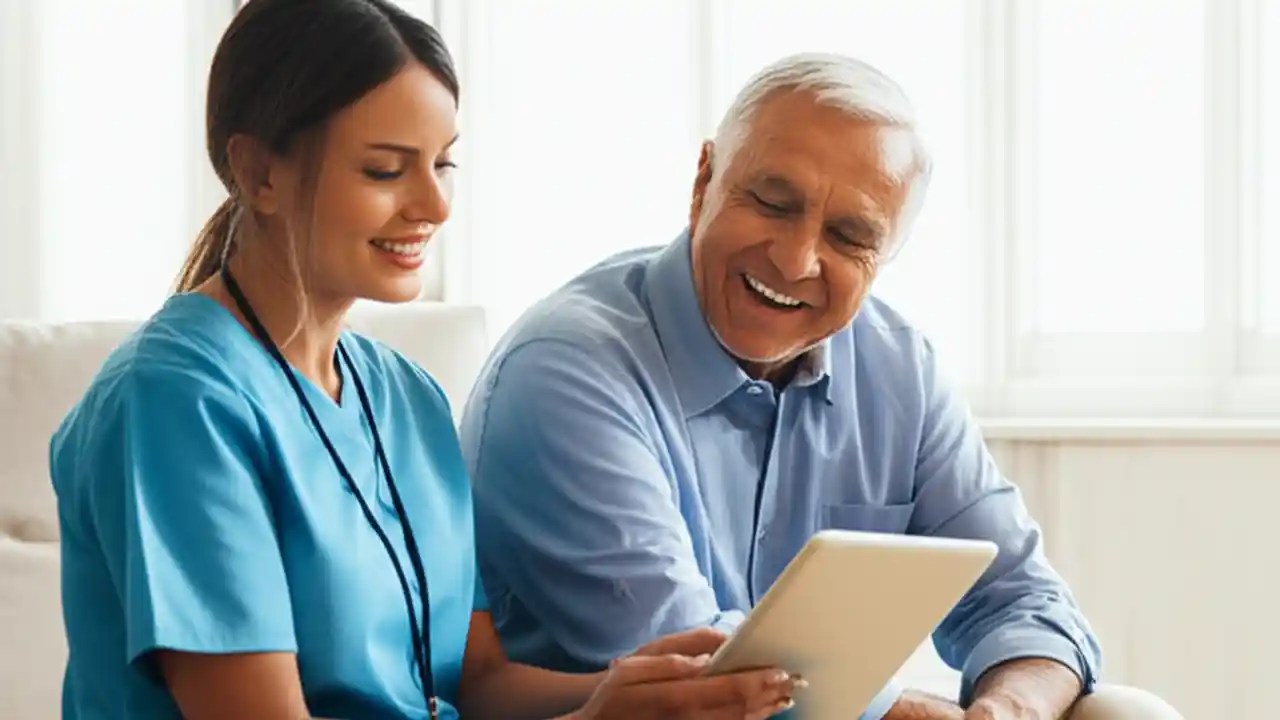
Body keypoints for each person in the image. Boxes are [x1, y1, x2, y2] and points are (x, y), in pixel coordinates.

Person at [47, 1, 800, 718]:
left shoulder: (406, 395)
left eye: (442, 165)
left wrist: (640, 688)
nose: (434, 206)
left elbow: (476, 682)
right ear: (259, 174)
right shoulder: (175, 401)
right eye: (385, 170)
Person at [462, 54, 1153, 720]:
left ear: (887, 257)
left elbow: (1024, 601)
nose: (796, 260)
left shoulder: (899, 370)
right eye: (771, 202)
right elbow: (708, 673)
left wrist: (1012, 709)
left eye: (849, 236)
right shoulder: (566, 369)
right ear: (704, 180)